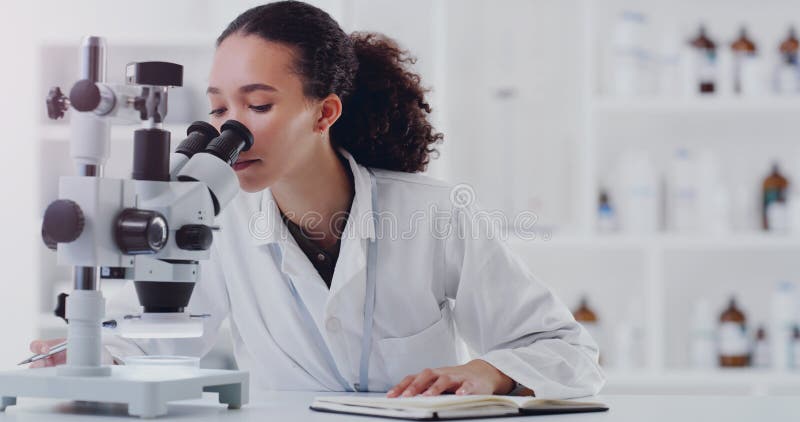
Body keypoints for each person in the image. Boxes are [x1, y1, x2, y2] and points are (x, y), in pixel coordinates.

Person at [30, 0, 604, 399]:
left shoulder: (433, 214)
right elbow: (158, 339)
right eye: (220, 110)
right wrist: (91, 355)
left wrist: (489, 371)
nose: (234, 131)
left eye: (258, 105)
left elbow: (565, 349)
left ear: (324, 112)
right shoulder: (211, 219)